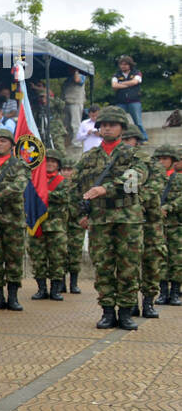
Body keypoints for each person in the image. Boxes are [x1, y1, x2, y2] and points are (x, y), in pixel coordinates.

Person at [72, 105, 148, 330]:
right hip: (99, 219)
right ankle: (107, 311)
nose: (107, 128)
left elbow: (136, 178)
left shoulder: (134, 154)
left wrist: (106, 188)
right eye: (103, 125)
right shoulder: (88, 157)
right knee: (103, 266)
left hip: (128, 219)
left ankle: (125, 312)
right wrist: (80, 214)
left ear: (122, 128)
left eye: (112, 125)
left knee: (128, 266)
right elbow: (74, 187)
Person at [0, 128, 27, 311]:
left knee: (14, 258)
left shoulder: (19, 165)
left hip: (14, 220)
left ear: (11, 144)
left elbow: (19, 185)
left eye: (3, 141)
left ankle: (13, 297)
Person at [124, 125, 162, 317]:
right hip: (128, 220)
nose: (125, 143)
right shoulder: (117, 162)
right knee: (129, 263)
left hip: (150, 220)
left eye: (128, 139)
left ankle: (148, 302)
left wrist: (137, 200)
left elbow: (156, 184)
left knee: (151, 262)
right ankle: (130, 302)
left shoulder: (150, 162)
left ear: (136, 141)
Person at [29, 152, 70, 300]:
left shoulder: (63, 181)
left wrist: (43, 193)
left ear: (58, 165)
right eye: (48, 161)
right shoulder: (34, 180)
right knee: (38, 257)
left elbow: (64, 197)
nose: (50, 164)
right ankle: (41, 289)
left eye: (54, 162)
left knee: (57, 258)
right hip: (37, 224)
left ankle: (55, 290)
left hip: (56, 226)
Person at [155, 146, 181, 306]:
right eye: (159, 159)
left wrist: (168, 207)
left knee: (177, 259)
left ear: (172, 161)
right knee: (160, 259)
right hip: (158, 225)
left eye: (165, 159)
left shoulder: (178, 178)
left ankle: (175, 292)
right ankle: (163, 292)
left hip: (176, 224)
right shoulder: (153, 179)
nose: (161, 162)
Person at [60, 154, 85, 293]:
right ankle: (61, 283)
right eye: (64, 169)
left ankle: (74, 283)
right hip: (60, 223)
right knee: (61, 253)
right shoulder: (57, 183)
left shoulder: (80, 186)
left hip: (76, 223)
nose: (67, 172)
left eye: (70, 170)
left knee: (75, 253)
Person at [111, 55, 146, 141]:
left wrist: (121, 84)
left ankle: (143, 139)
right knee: (119, 122)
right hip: (121, 102)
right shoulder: (116, 74)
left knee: (138, 122)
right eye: (121, 64)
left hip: (134, 101)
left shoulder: (137, 73)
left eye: (125, 64)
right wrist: (128, 84)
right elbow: (114, 85)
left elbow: (135, 82)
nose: (123, 66)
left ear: (130, 65)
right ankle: (118, 139)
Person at [64, 66, 87, 140]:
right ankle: (70, 141)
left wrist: (76, 71)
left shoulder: (81, 76)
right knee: (67, 125)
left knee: (75, 124)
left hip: (76, 102)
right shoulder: (68, 79)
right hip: (67, 103)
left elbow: (77, 80)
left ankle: (77, 143)